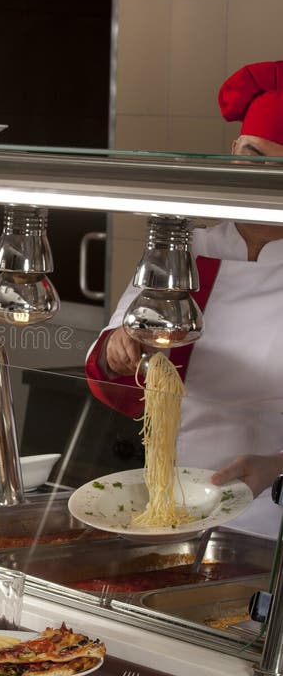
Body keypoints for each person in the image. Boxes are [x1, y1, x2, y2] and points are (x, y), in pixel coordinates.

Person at [85, 59, 283, 540]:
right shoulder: (185, 250)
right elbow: (110, 368)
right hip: (180, 496)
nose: (262, 177)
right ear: (235, 149)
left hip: (276, 506)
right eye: (253, 155)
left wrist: (277, 467)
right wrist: (118, 349)